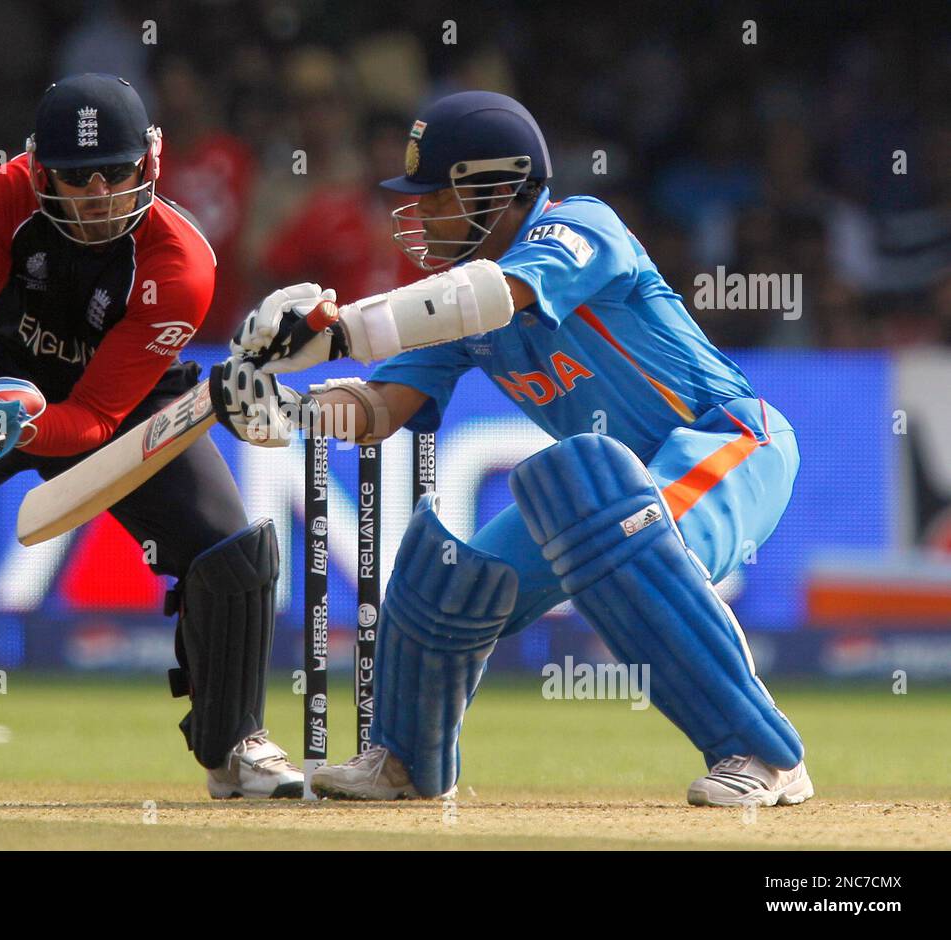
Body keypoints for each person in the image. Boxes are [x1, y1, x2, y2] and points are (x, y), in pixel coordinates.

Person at [213, 91, 812, 807]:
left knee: (626, 528)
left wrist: (339, 329)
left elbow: (500, 292)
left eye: (435, 196)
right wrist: (291, 411)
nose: (418, 216)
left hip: (729, 440)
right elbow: (380, 408)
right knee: (450, 580)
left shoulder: (580, 228)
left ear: (498, 189)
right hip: (598, 496)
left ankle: (764, 753)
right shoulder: (453, 305)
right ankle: (406, 761)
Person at [0, 74, 302, 800]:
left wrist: (20, 423)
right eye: (77, 179)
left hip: (118, 401)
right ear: (40, 171)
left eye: (117, 171)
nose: (99, 194)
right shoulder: (1, 197)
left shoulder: (181, 265)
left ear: (152, 162)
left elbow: (99, 421)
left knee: (229, 548)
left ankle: (236, 745)